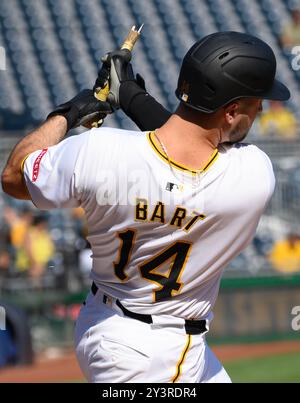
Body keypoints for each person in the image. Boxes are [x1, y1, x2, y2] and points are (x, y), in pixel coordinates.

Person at [1, 31, 290, 383]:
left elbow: (14, 175)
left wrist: (69, 112)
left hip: (112, 329)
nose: (260, 108)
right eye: (254, 102)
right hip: (148, 354)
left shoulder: (98, 151)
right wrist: (133, 96)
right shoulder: (253, 176)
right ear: (230, 112)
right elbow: (185, 150)